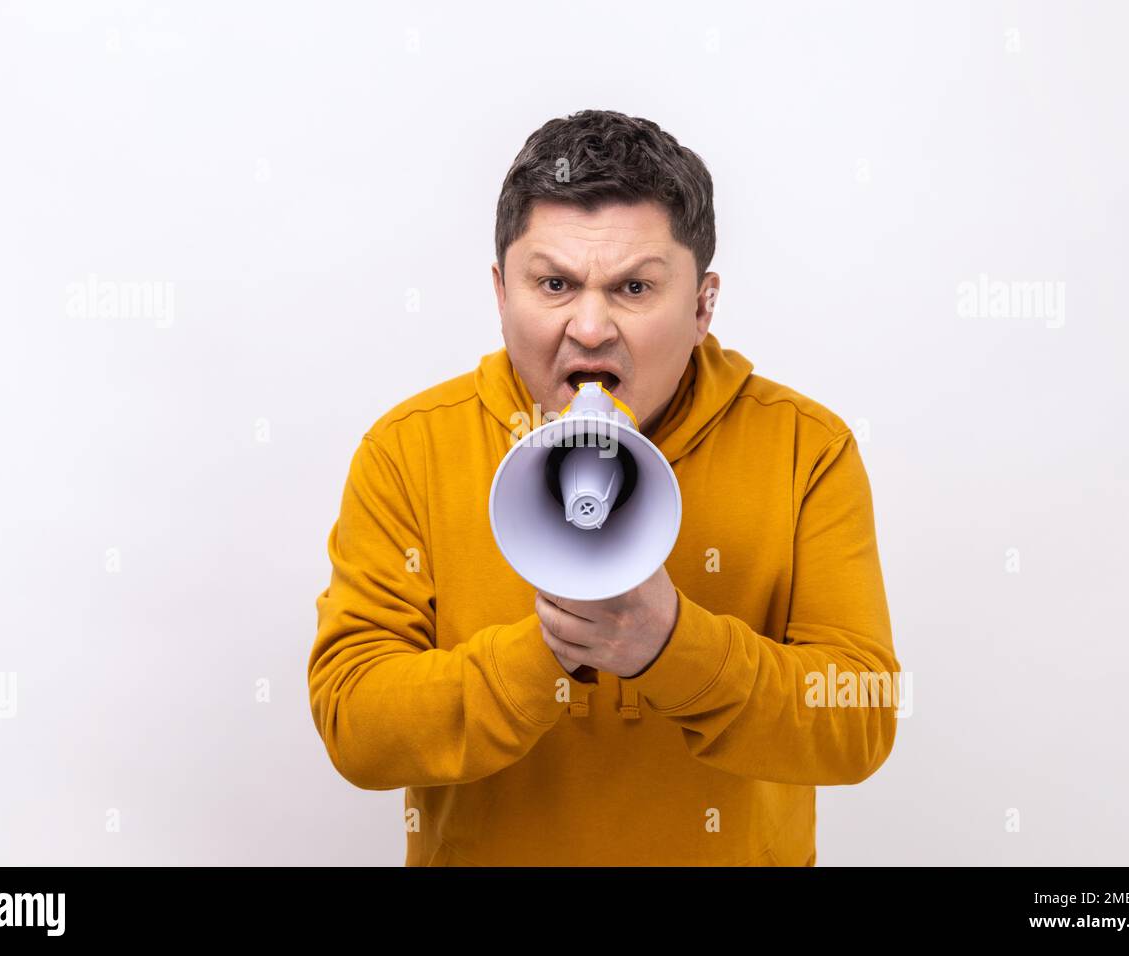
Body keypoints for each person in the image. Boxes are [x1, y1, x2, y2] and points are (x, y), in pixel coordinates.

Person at [307, 109, 901, 866]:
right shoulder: (408, 449)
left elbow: (861, 720)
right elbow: (357, 728)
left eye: (633, 288)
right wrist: (546, 651)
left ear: (701, 305)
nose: (589, 328)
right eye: (555, 283)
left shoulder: (805, 449)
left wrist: (672, 647)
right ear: (500, 294)